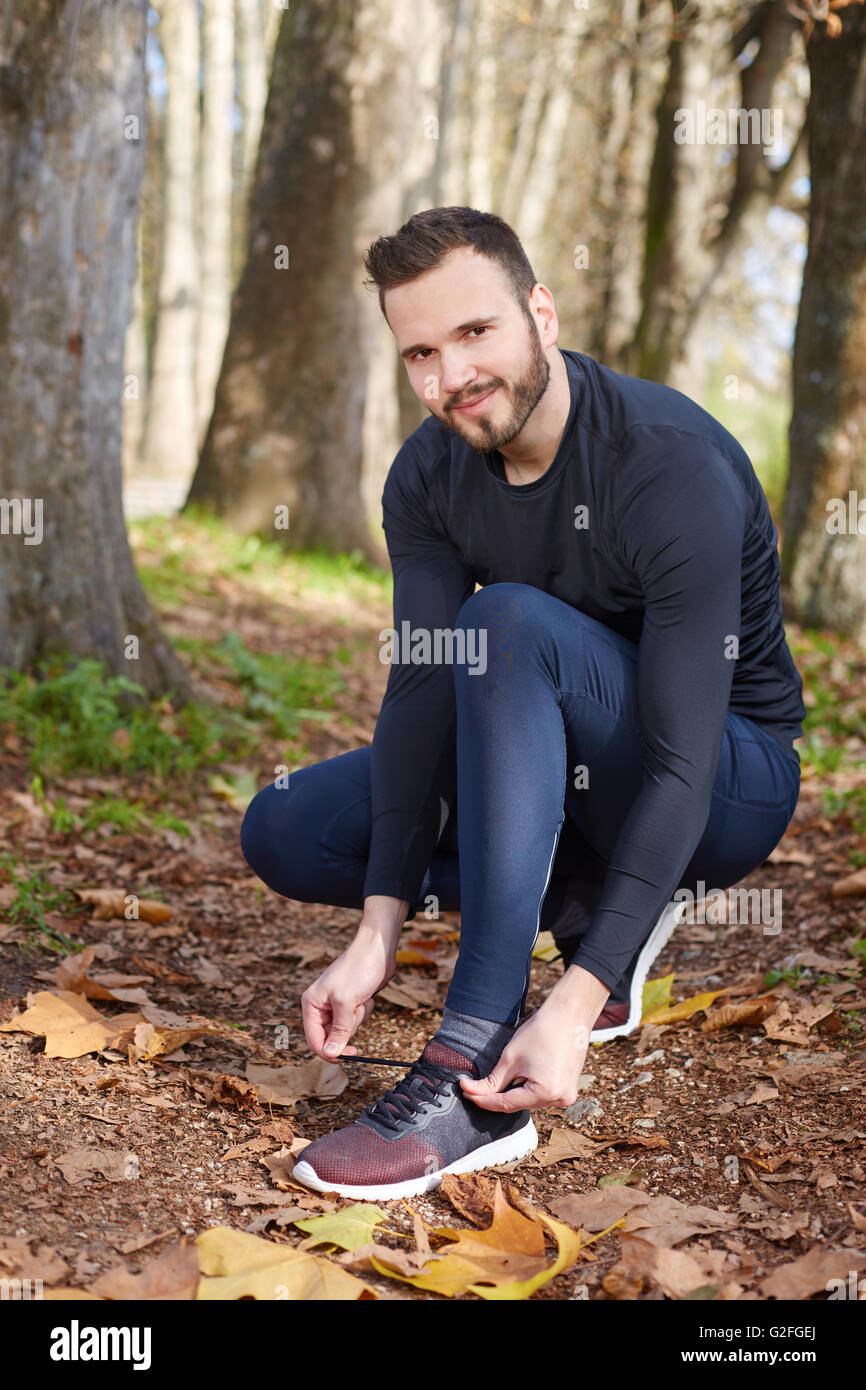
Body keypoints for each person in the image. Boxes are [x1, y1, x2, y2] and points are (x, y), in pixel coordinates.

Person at [240, 207, 805, 1201]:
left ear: (539, 313)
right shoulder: (426, 471)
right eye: (419, 350)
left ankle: (470, 1063)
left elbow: (677, 761)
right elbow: (419, 694)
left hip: (719, 775)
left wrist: (575, 993)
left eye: (474, 333)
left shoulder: (665, 463)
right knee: (287, 828)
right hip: (549, 755)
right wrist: (375, 933)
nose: (449, 376)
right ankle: (587, 896)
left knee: (502, 623)